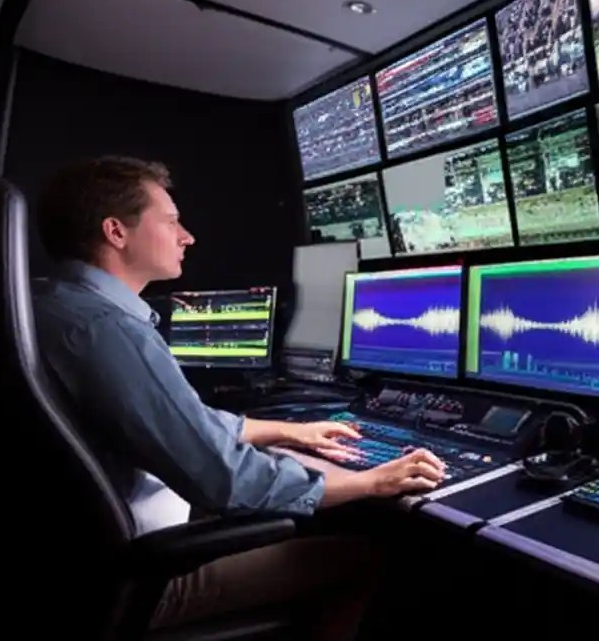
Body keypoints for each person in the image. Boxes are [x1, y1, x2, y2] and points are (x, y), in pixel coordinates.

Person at [31, 155, 444, 639]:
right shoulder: (106, 330)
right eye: (171, 221)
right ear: (116, 232)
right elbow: (223, 476)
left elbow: (179, 423)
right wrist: (369, 484)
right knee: (366, 556)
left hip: (70, 564)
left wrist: (287, 431)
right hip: (141, 577)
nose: (187, 236)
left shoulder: (51, 307)